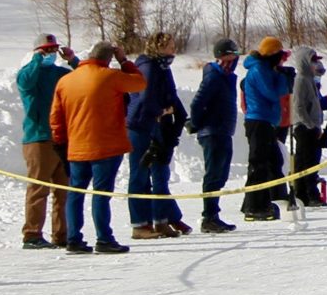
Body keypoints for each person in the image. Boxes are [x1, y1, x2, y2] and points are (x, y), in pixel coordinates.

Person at [50, 42, 149, 255]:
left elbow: (56, 117)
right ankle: (104, 238)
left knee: (76, 192)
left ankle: (73, 238)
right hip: (106, 146)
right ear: (108, 59)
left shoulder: (66, 80)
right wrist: (124, 61)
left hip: (77, 146)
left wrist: (60, 143)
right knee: (101, 194)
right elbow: (140, 83)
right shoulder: (110, 76)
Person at [14, 34, 76, 250]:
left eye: (53, 49)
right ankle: (32, 234)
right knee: (39, 188)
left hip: (62, 138)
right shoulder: (28, 73)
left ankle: (62, 234)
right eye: (45, 50)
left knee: (63, 190)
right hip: (38, 138)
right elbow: (26, 82)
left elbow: (85, 80)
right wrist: (37, 59)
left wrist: (73, 61)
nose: (50, 54)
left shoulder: (60, 74)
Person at [127, 34, 190, 239]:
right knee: (141, 174)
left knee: (160, 174)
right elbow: (145, 98)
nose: (173, 50)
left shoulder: (163, 67)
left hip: (159, 127)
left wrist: (179, 117)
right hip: (142, 126)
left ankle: (161, 219)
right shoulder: (149, 67)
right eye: (170, 46)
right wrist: (161, 112)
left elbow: (170, 95)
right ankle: (140, 224)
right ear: (158, 48)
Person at [189, 39, 243, 232]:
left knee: (221, 175)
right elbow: (197, 103)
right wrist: (197, 123)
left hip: (224, 131)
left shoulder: (227, 76)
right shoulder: (213, 76)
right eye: (232, 55)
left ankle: (214, 215)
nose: (235, 59)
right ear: (222, 55)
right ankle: (209, 217)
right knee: (213, 175)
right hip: (212, 132)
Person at [239, 38, 293, 220]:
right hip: (258, 120)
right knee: (258, 163)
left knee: (273, 161)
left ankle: (267, 200)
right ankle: (253, 206)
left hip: (267, 120)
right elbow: (271, 93)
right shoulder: (259, 69)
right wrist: (281, 77)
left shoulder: (266, 69)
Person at [288, 47, 327, 205]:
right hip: (304, 127)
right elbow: (299, 107)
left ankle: (303, 194)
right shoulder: (301, 80)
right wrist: (309, 125)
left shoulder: (311, 80)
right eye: (313, 61)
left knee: (309, 161)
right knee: (307, 162)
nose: (316, 64)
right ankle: (309, 194)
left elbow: (314, 104)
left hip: (312, 127)